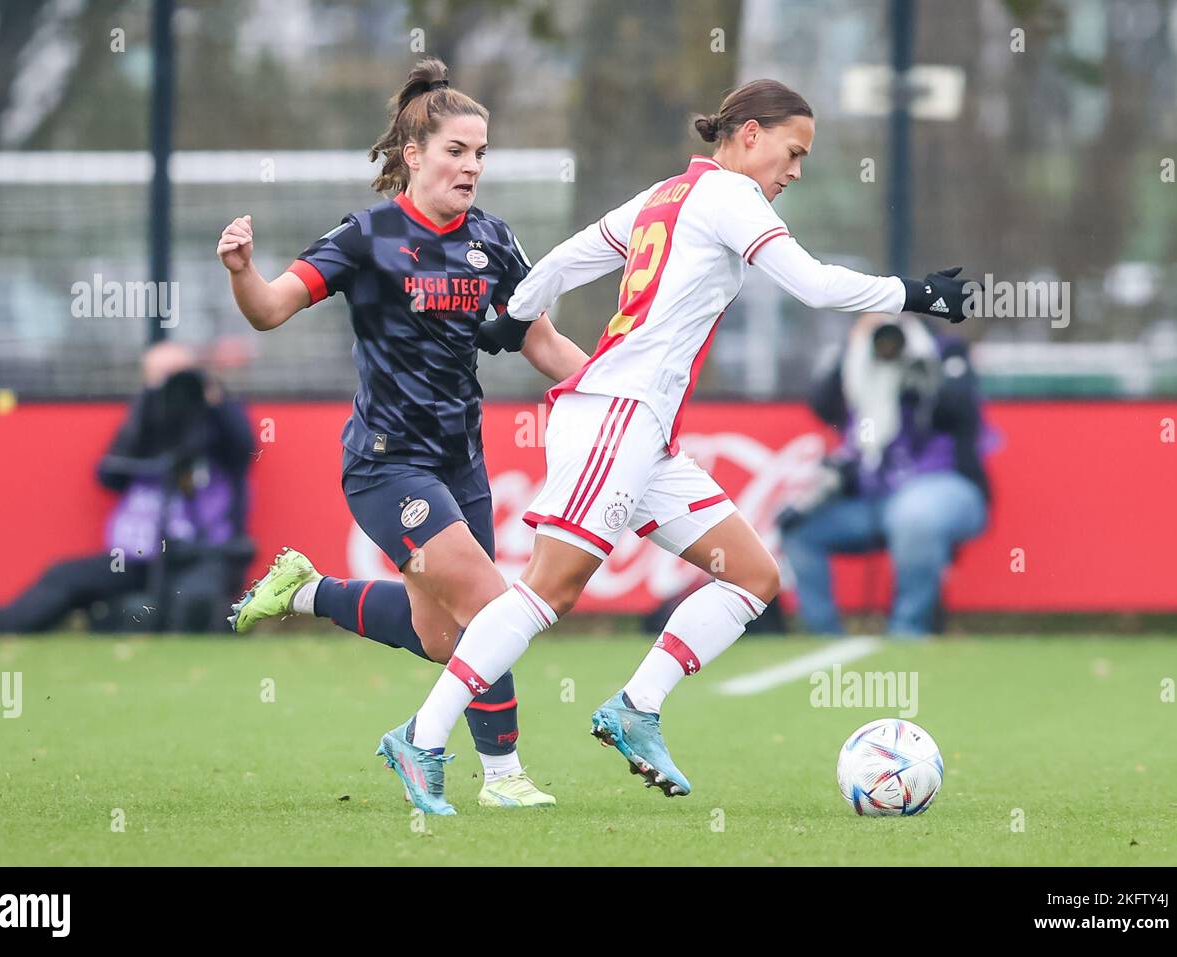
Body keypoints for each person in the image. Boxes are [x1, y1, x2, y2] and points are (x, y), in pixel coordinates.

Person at [375, 77, 979, 815]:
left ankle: (636, 706)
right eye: (793, 153)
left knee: (753, 576)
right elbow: (815, 286)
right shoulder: (731, 197)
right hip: (614, 417)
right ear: (749, 134)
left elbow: (568, 256)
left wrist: (516, 313)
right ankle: (422, 735)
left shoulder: (667, 194)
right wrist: (918, 294)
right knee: (548, 590)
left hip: (644, 435)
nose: (794, 171)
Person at [216, 58, 588, 809]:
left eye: (481, 153)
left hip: (462, 463)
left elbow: (540, 341)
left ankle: (308, 590)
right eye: (456, 150)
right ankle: (499, 776)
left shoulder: (492, 239)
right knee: (495, 610)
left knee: (446, 640)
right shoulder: (368, 236)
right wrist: (241, 271)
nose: (472, 166)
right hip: (388, 466)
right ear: (414, 154)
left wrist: (617, 395)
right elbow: (269, 309)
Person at [0, 341, 255, 634]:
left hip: (201, 557)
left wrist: (209, 396)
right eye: (159, 376)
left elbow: (244, 446)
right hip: (137, 560)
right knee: (63, 576)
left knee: (194, 602)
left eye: (177, 374)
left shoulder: (219, 427)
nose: (171, 386)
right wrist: (150, 406)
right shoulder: (145, 426)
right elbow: (109, 476)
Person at [778, 313, 990, 636]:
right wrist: (853, 346)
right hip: (872, 496)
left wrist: (920, 363)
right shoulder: (857, 361)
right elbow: (821, 404)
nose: (887, 338)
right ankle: (823, 636)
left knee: (913, 515)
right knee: (797, 527)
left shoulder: (943, 350)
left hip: (945, 487)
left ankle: (908, 631)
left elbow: (960, 407)